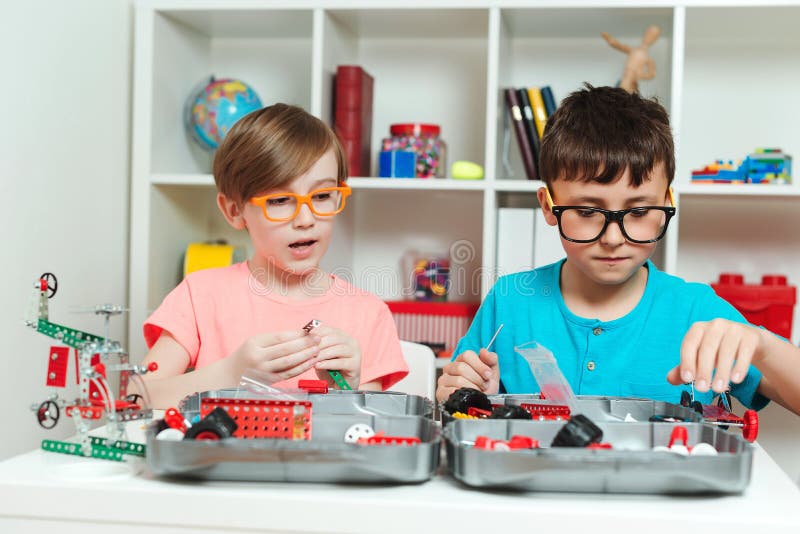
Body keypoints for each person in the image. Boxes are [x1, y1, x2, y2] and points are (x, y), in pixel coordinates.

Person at [436, 85, 800, 416]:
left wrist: (763, 347)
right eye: (587, 212)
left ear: (668, 202)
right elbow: (459, 401)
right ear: (548, 206)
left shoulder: (697, 310)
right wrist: (467, 396)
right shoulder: (510, 300)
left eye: (639, 211)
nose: (613, 238)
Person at [136, 104, 408, 408]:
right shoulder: (199, 295)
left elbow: (367, 433)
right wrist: (230, 373)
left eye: (321, 196)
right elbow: (137, 398)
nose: (305, 218)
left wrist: (347, 390)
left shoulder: (368, 313)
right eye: (280, 200)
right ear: (234, 211)